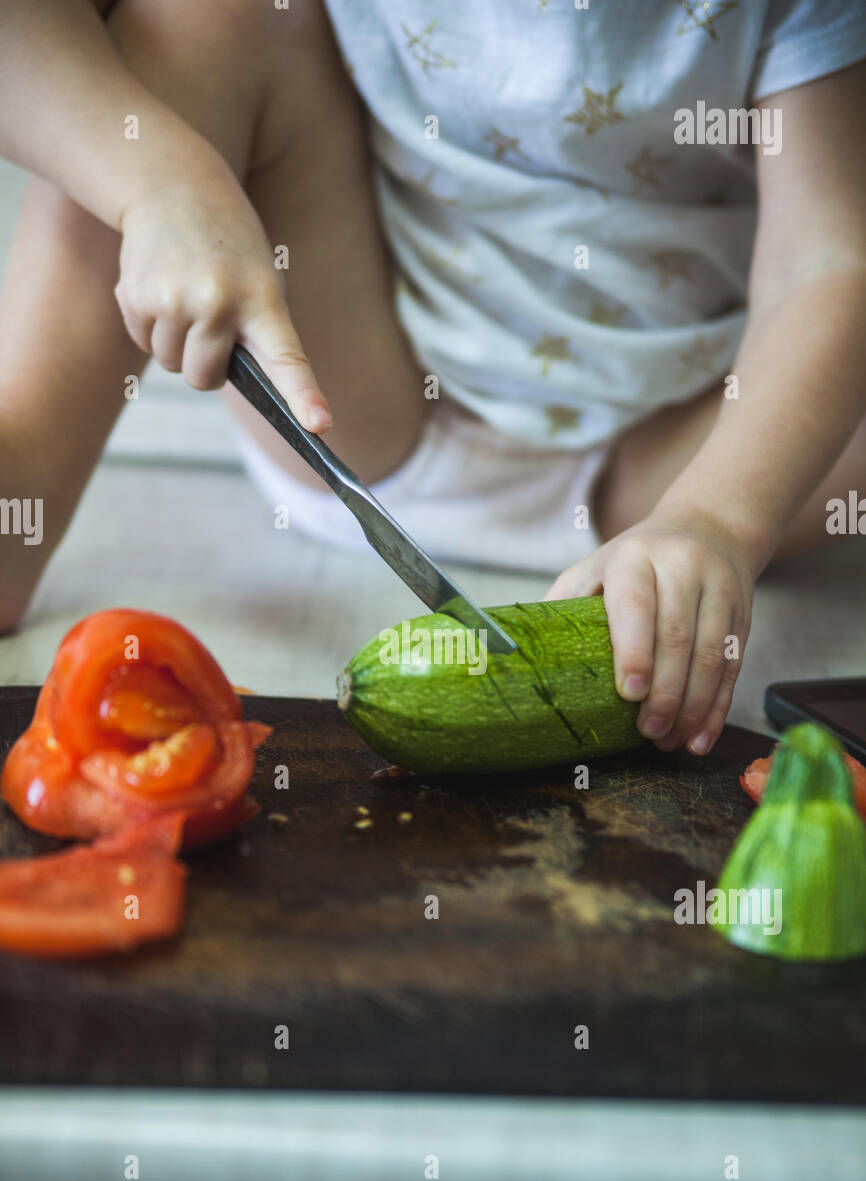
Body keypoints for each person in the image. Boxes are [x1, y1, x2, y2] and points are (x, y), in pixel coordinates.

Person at [0, 0, 864, 758]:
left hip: (689, 450)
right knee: (197, 20)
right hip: (365, 409)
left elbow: (826, 261)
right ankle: (22, 465)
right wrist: (159, 188)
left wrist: (716, 520)